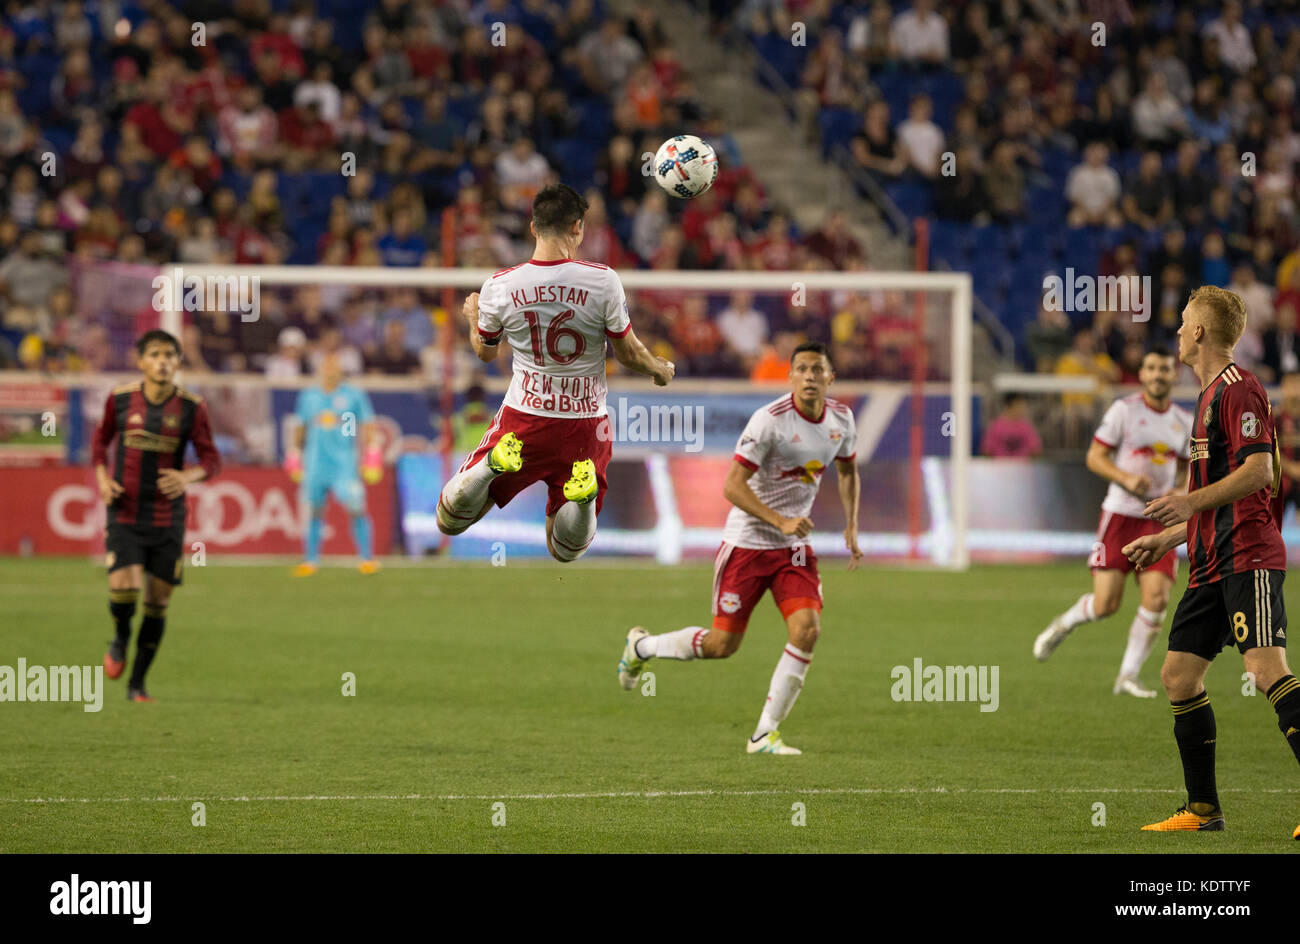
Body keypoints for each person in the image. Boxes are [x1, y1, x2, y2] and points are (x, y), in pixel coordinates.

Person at [616, 342, 861, 755]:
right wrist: (780, 520)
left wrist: (852, 523)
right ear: (790, 376)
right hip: (747, 544)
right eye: (800, 369)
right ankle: (642, 647)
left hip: (794, 549)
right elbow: (731, 486)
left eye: (817, 370)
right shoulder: (769, 421)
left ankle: (764, 733)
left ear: (830, 378)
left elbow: (849, 470)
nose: (808, 377)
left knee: (808, 630)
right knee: (722, 646)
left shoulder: (842, 419)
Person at [1121, 286, 1294, 835]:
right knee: (1178, 675)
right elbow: (1216, 494)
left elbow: (1259, 472)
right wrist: (1170, 537)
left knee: (1267, 671)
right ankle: (1203, 809)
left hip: (1249, 557)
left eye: (1182, 322)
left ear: (1198, 332)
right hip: (1210, 561)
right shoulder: (1205, 398)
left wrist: (1187, 503)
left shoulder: (1240, 389)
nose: (1176, 330)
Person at [435, 184, 674, 561]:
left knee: (449, 522)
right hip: (584, 423)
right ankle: (583, 497)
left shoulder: (500, 285)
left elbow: (484, 352)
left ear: (533, 227)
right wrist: (658, 369)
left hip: (524, 419)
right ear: (578, 227)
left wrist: (470, 319)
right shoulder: (603, 280)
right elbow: (627, 354)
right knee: (564, 551)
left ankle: (490, 469)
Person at [1034, 348, 1191, 696]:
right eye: (1151, 368)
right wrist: (1125, 479)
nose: (1158, 374)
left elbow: (1184, 465)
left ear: (1174, 374)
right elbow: (1095, 456)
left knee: (1157, 598)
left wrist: (1180, 490)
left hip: (1159, 520)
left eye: (1164, 369)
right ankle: (1066, 622)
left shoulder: (1184, 421)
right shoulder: (1125, 410)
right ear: (1142, 373)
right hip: (1120, 515)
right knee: (1106, 604)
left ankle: (1127, 676)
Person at [94, 330, 221, 702]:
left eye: (170, 354)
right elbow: (100, 441)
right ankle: (119, 639)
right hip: (125, 511)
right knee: (123, 586)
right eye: (155, 354)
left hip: (167, 517)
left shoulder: (191, 408)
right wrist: (103, 479)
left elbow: (212, 460)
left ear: (178, 362)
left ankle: (137, 684)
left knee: (158, 600)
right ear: (141, 362)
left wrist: (186, 475)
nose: (163, 360)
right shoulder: (119, 399)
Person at [285, 353, 384, 576]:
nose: (330, 369)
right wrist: (294, 454)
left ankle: (366, 558)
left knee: (356, 508)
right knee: (314, 511)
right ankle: (310, 561)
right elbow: (300, 426)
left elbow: (368, 424)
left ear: (340, 369)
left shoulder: (353, 395)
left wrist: (372, 454)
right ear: (320, 369)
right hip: (316, 462)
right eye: (326, 365)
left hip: (344, 463)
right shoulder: (309, 396)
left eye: (334, 365)